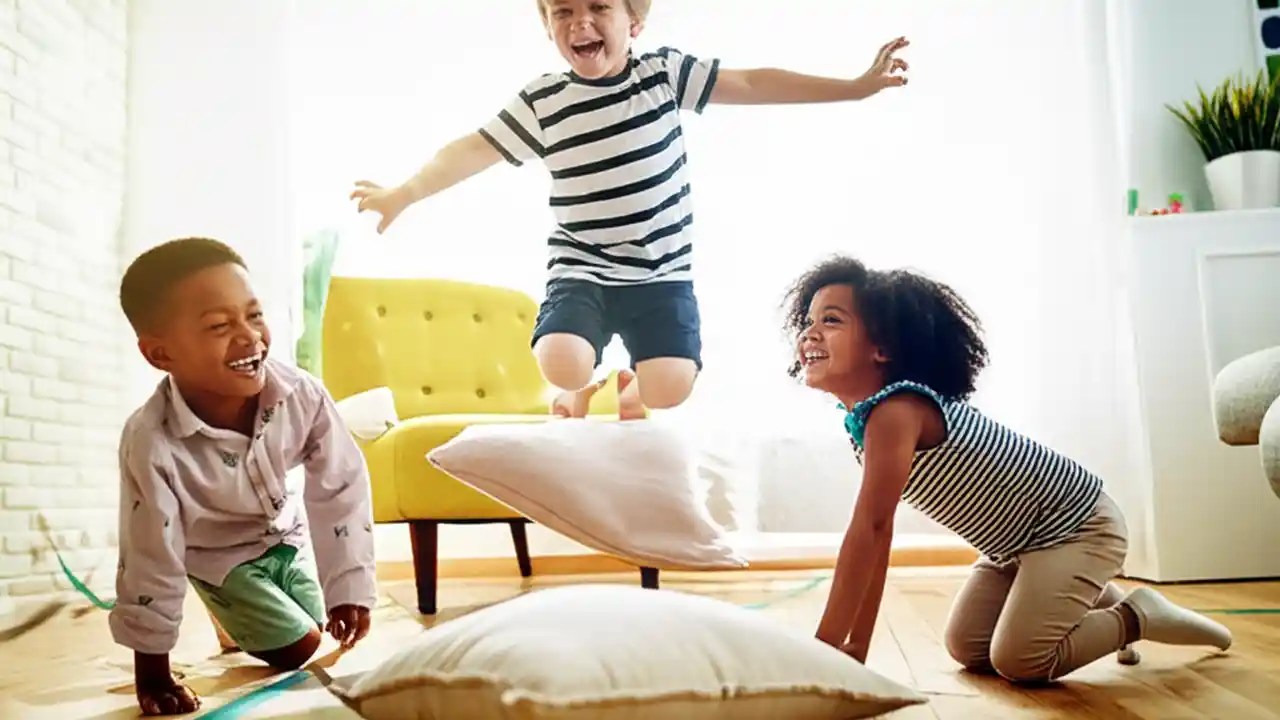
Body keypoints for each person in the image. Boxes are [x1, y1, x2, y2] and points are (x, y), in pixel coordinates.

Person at [351, 0, 910, 421]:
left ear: (633, 22)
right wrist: (405, 192)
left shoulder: (663, 76)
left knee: (669, 389)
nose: (580, 23)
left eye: (599, 7)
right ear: (548, 26)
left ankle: (626, 383)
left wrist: (855, 87)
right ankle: (580, 383)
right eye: (563, 11)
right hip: (583, 270)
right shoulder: (544, 101)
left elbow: (751, 82)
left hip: (661, 275)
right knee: (562, 361)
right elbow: (471, 150)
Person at [782, 255, 1233, 683]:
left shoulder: (898, 411)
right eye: (808, 322)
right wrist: (853, 650)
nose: (810, 333)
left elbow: (872, 528)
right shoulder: (870, 423)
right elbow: (876, 542)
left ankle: (1139, 614)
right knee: (969, 647)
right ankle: (1094, 596)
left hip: (1078, 529)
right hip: (1015, 549)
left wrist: (823, 652)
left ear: (881, 348)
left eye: (831, 320)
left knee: (1021, 658)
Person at [112, 238, 378, 716]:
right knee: (298, 648)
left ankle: (241, 617)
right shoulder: (151, 439)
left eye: (254, 316)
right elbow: (151, 545)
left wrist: (350, 589)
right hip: (215, 556)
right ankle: (224, 601)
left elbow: (341, 487)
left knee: (322, 620)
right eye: (219, 325)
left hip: (282, 536)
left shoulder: (301, 396)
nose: (250, 337)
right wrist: (152, 669)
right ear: (160, 354)